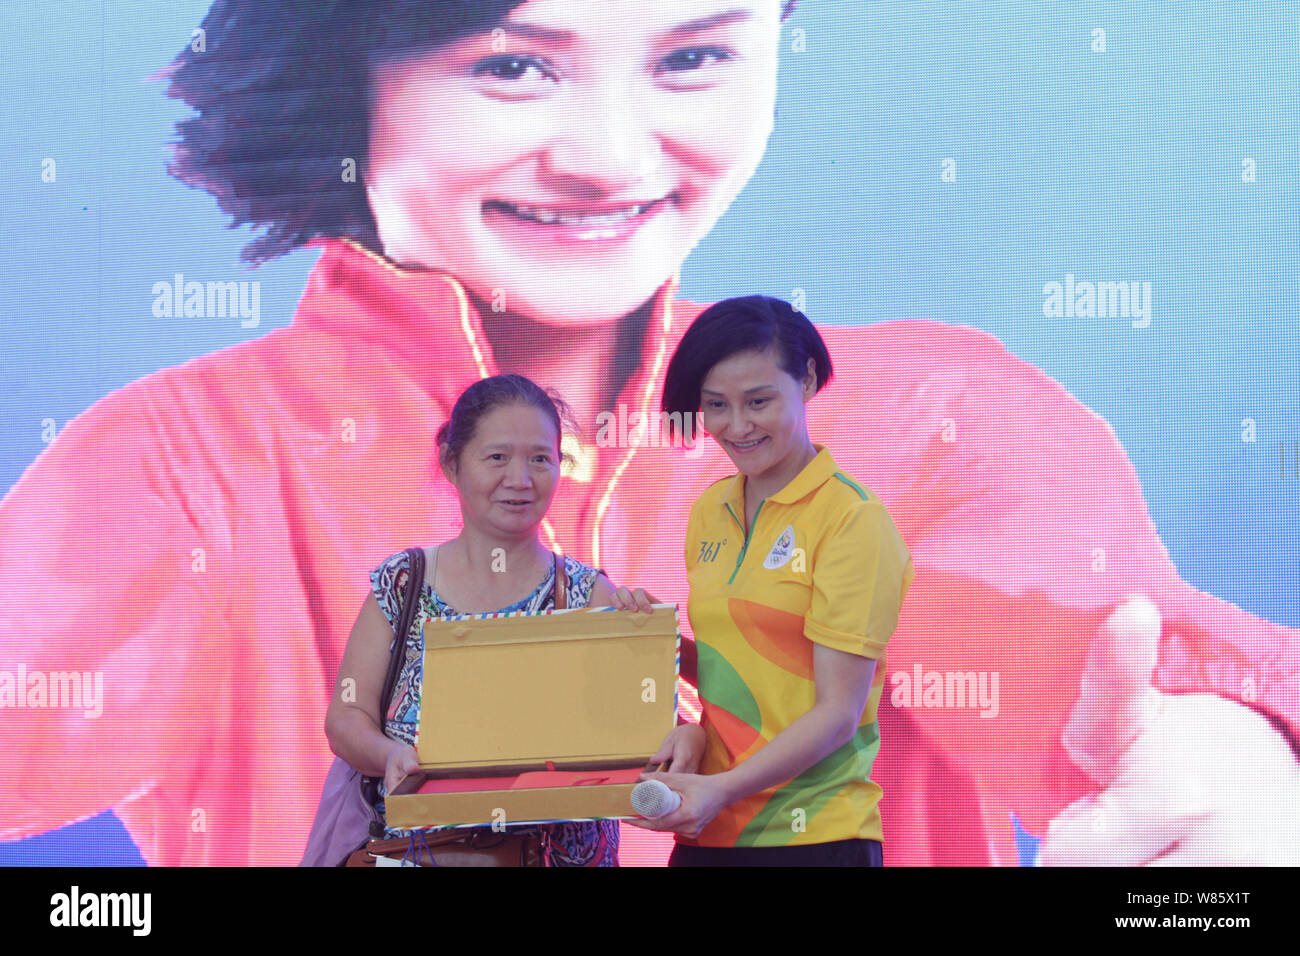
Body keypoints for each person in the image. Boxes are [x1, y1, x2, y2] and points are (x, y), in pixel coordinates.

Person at [0, 0, 1296, 866]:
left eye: (693, 56)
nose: (612, 158)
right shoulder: (189, 473)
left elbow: (1067, 640)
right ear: (347, 67)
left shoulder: (923, 429)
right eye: (511, 66)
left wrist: (1214, 763)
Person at [324, 373, 654, 866]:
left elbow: (636, 745)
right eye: (497, 457)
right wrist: (388, 755)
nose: (520, 480)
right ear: (452, 465)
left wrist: (640, 649)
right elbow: (347, 717)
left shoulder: (590, 596)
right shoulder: (403, 583)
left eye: (540, 459)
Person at [629, 296, 908, 865]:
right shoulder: (710, 509)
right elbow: (737, 669)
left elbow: (837, 713)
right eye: (716, 406)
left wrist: (722, 790)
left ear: (805, 379)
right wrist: (653, 644)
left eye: (758, 401)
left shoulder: (851, 520)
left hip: (814, 836)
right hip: (706, 830)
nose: (737, 426)